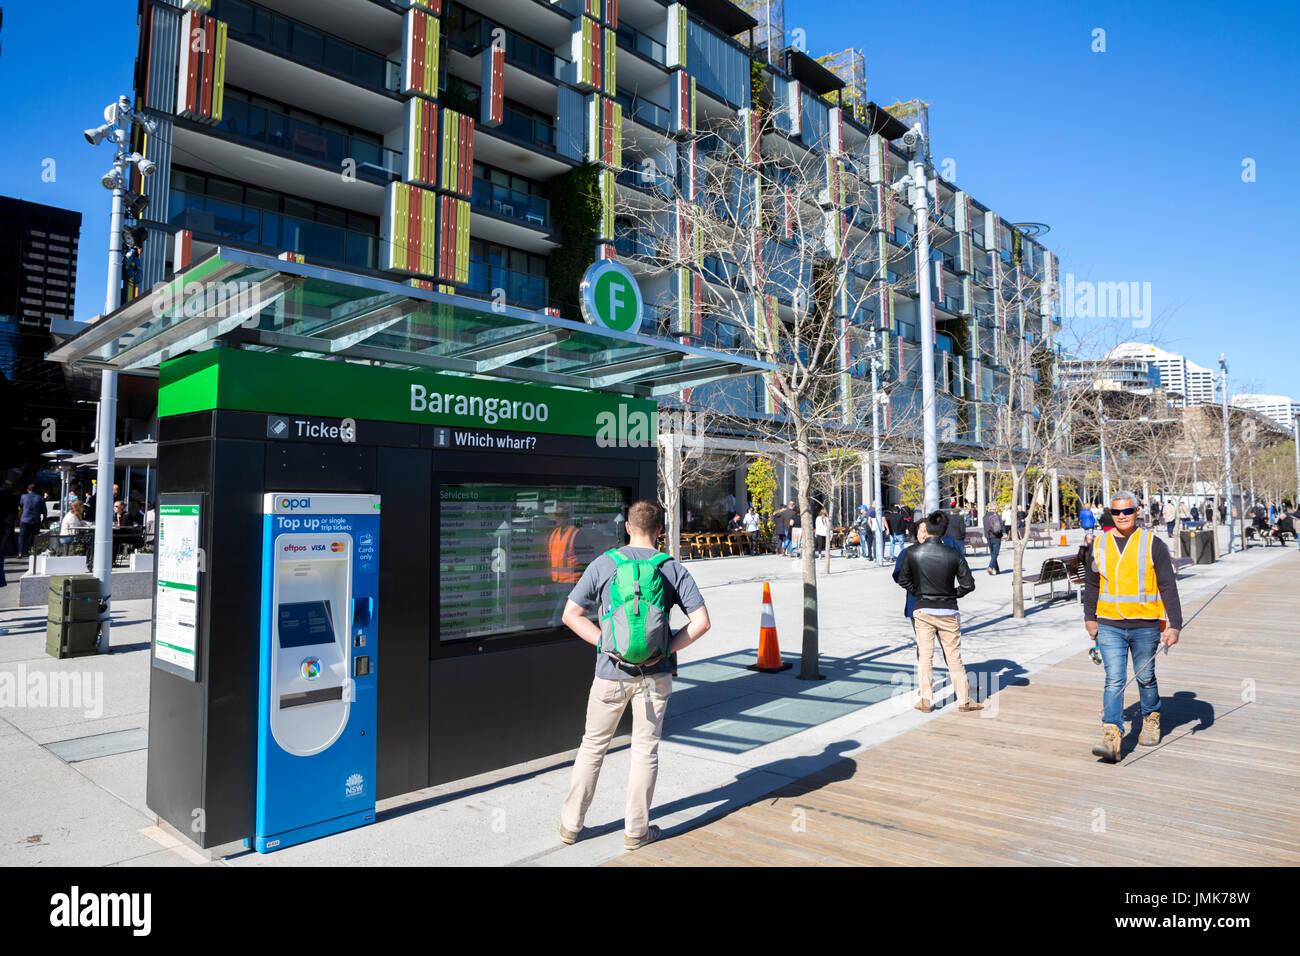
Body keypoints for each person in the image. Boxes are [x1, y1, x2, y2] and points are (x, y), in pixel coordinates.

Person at [558, 500, 710, 850]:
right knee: (645, 750)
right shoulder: (671, 568)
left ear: (628, 527)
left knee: (593, 746)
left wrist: (605, 644)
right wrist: (666, 649)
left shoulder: (603, 564)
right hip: (654, 675)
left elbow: (571, 614)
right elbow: (701, 623)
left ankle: (570, 825)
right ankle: (636, 832)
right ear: (660, 530)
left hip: (610, 673)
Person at [1083, 491, 1183, 763]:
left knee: (1144, 677)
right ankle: (1111, 735)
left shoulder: (1153, 544)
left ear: (1138, 512)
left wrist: (1175, 625)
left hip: (1145, 624)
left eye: (1127, 511)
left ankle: (1151, 716)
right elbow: (1092, 584)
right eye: (1116, 512)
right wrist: (1089, 618)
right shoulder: (1099, 544)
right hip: (1109, 623)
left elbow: (1167, 586)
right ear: (1110, 514)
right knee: (1114, 678)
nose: (1122, 516)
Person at [895, 511, 981, 713]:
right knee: (953, 657)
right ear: (944, 533)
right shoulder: (953, 553)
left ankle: (925, 700)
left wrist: (920, 592)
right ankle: (964, 700)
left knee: (925, 656)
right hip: (948, 610)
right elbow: (968, 584)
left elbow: (902, 579)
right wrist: (951, 594)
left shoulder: (912, 553)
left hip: (923, 609)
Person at [18, 484, 47, 558]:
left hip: (25, 519)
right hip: (35, 520)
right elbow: (44, 511)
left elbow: (21, 505)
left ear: (28, 490)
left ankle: (20, 552)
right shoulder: (40, 498)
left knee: (22, 536)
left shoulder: (23, 497)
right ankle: (31, 552)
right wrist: (43, 520)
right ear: (36, 490)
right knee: (34, 537)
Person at [983, 506, 1005, 575]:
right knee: (995, 553)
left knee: (993, 554)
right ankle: (990, 567)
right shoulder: (997, 516)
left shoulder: (985, 517)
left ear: (989, 510)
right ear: (995, 510)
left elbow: (985, 527)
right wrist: (1003, 534)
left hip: (988, 537)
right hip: (996, 537)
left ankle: (997, 569)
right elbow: (1001, 526)